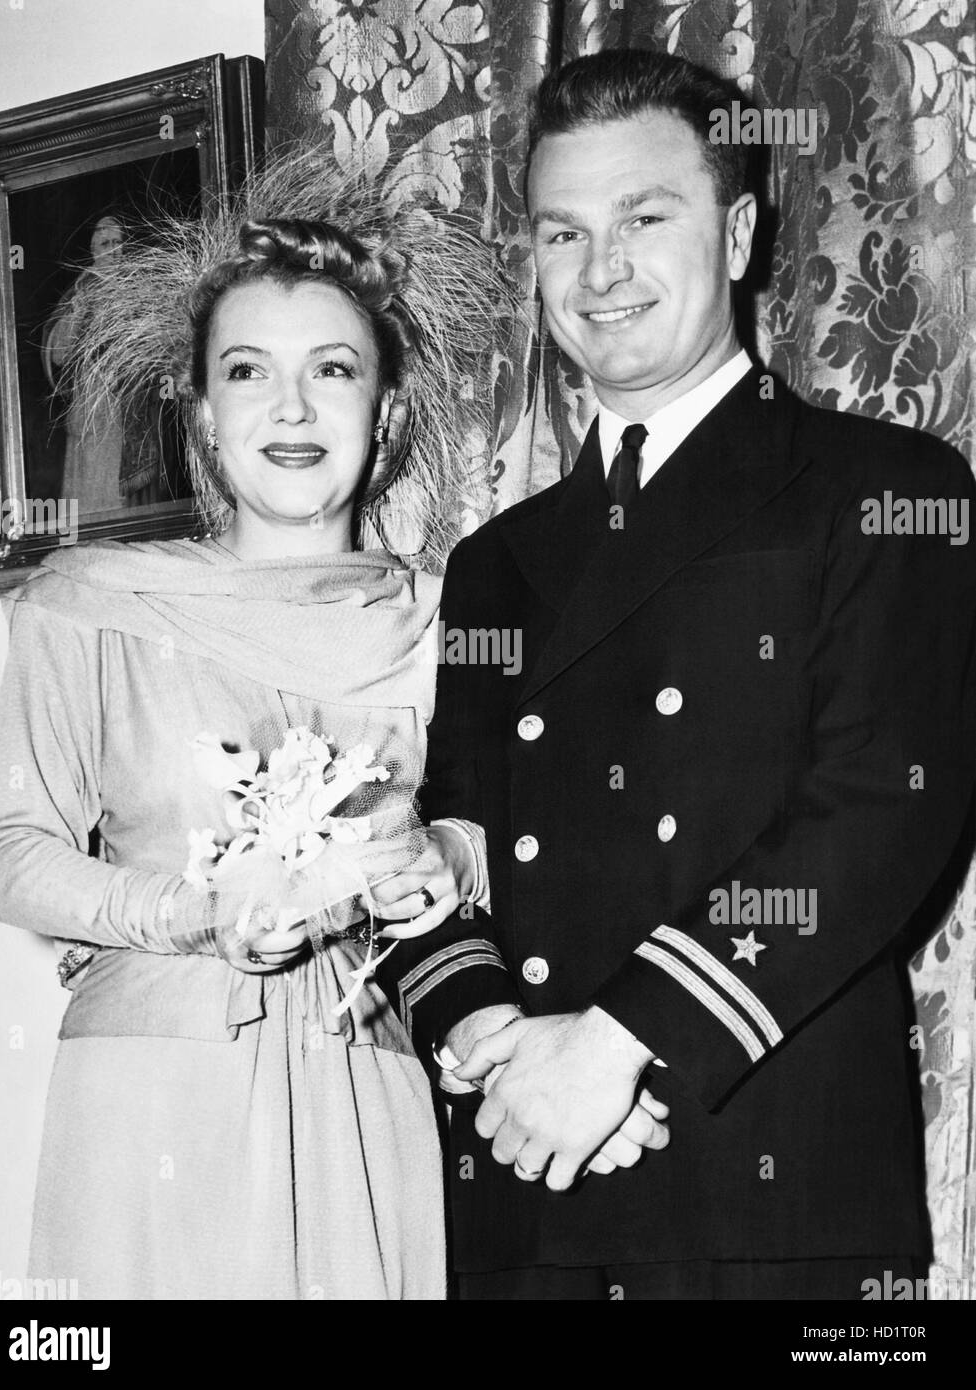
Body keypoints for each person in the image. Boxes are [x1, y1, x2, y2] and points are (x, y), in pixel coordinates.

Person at [370, 47, 976, 1300]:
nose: (600, 272)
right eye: (561, 233)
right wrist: (492, 1044)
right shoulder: (495, 562)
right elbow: (440, 841)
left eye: (646, 218)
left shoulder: (894, 492)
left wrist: (621, 1044)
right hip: (529, 1186)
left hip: (769, 1196)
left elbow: (879, 812)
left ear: (741, 231)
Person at [0, 160, 505, 1300]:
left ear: (387, 408)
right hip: (150, 1095)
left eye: (333, 371)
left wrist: (447, 859)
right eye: (249, 372)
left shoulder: (447, 624)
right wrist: (192, 912)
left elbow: (513, 845)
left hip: (366, 1091)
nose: (292, 409)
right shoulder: (90, 604)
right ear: (204, 414)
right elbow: (0, 857)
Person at [42, 213, 161, 514]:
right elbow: (58, 352)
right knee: (93, 466)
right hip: (93, 394)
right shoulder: (82, 288)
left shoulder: (137, 284)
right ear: (94, 250)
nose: (113, 249)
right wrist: (78, 314)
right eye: (106, 243)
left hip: (132, 392)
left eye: (118, 242)